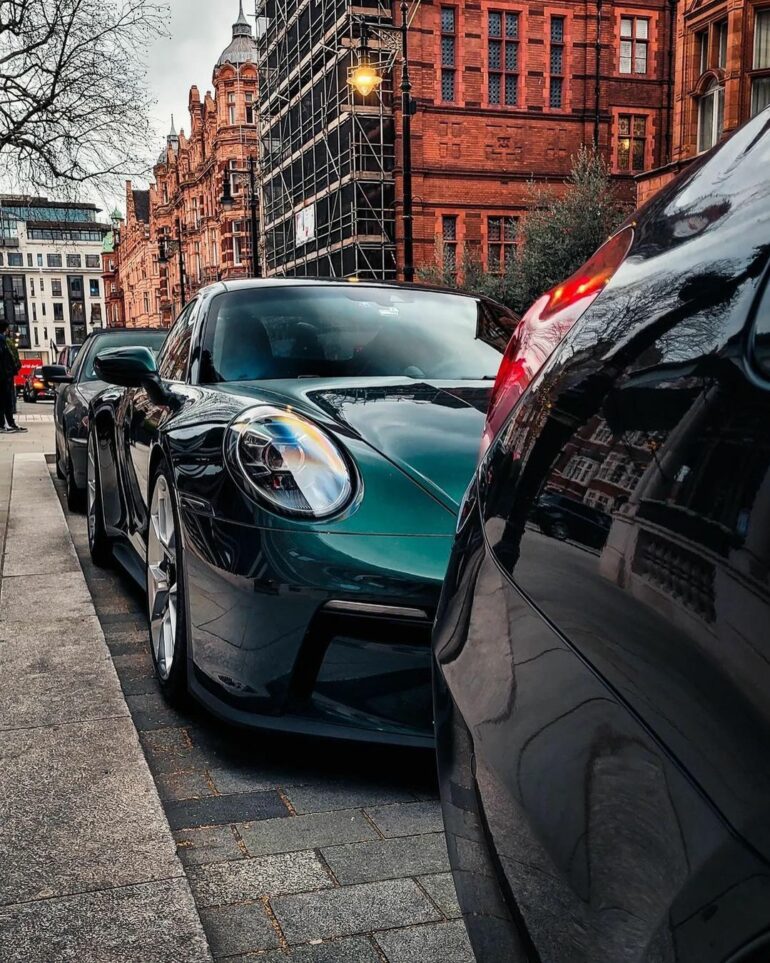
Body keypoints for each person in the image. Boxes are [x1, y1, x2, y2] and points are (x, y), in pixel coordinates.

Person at [0, 322, 27, 433]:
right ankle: (4, 424)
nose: (9, 331)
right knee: (5, 400)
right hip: (4, 375)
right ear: (5, 329)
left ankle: (8, 423)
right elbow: (4, 357)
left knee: (6, 400)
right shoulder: (2, 340)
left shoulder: (4, 340)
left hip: (5, 374)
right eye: (8, 329)